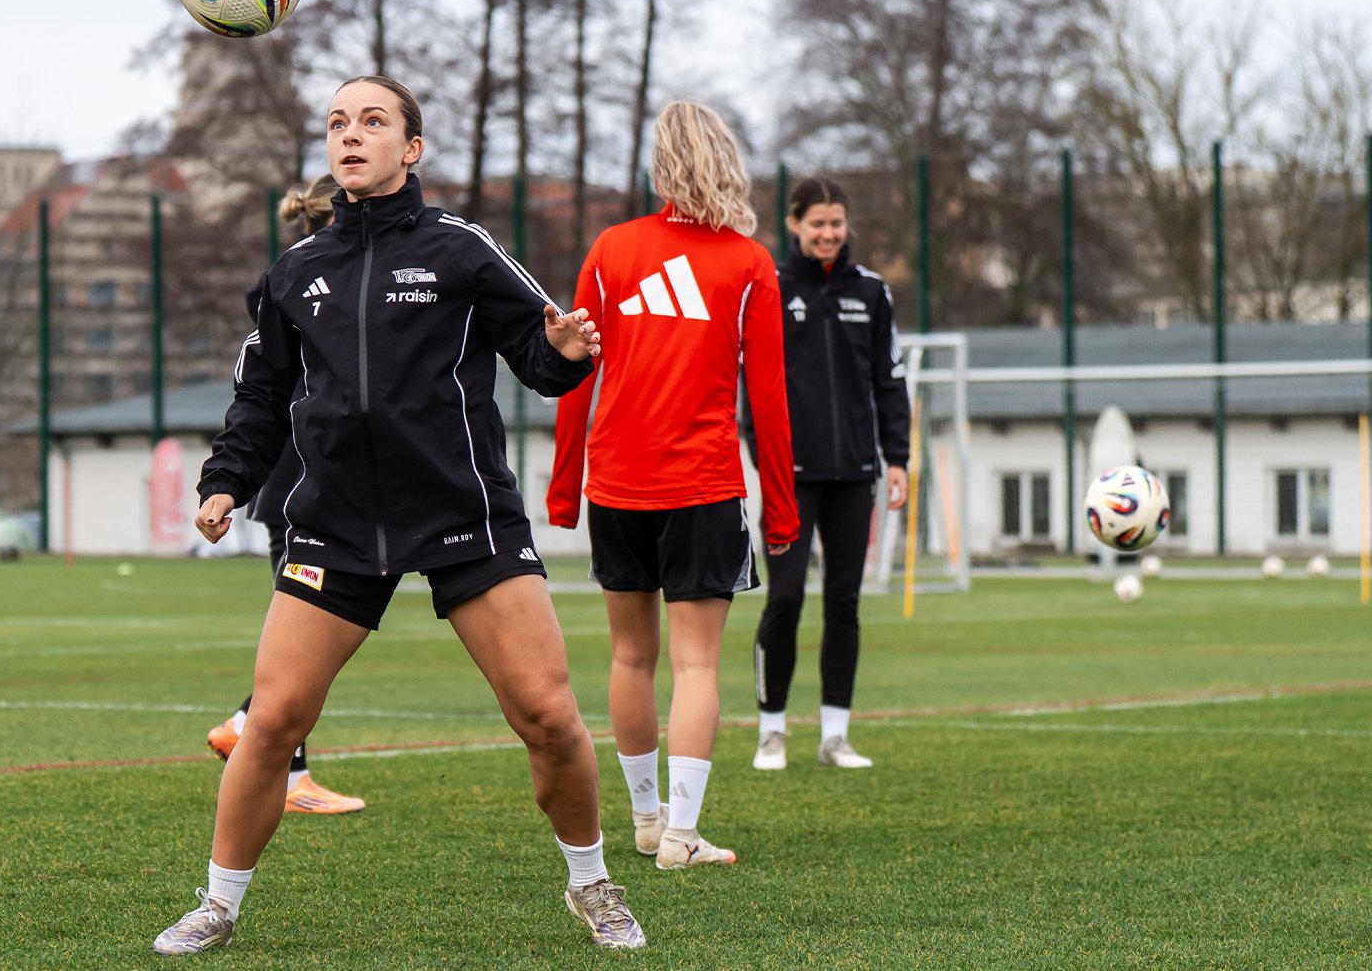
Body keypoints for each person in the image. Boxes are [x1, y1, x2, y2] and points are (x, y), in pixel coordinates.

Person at [153, 75, 645, 955]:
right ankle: (218, 905)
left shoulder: (460, 247)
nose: (351, 134)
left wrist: (566, 349)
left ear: (410, 148)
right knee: (271, 723)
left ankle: (592, 885)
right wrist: (224, 483)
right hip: (336, 526)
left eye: (372, 121)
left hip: (464, 514)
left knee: (548, 715)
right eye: (338, 122)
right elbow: (259, 402)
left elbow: (541, 355)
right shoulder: (295, 274)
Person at [547, 100, 798, 871]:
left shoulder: (612, 248)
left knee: (631, 658)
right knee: (695, 667)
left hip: (615, 485)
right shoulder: (749, 262)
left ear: (659, 162)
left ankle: (648, 822)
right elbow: (772, 400)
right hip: (703, 487)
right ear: (728, 158)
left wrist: (563, 488)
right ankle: (682, 838)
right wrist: (783, 509)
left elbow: (572, 374)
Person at [203, 173, 367, 817]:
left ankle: (245, 726)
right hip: (303, 494)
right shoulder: (299, 295)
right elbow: (263, 402)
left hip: (317, 493)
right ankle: (288, 772)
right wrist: (226, 482)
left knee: (317, 639)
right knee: (305, 645)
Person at [751, 176, 910, 771]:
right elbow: (751, 387)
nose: (827, 233)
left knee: (843, 600)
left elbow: (889, 380)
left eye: (836, 223)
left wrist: (898, 458)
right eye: (817, 223)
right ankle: (771, 731)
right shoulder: (768, 285)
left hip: (855, 476)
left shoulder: (870, 292)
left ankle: (835, 736)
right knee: (786, 597)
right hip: (789, 476)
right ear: (794, 224)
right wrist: (760, 455)